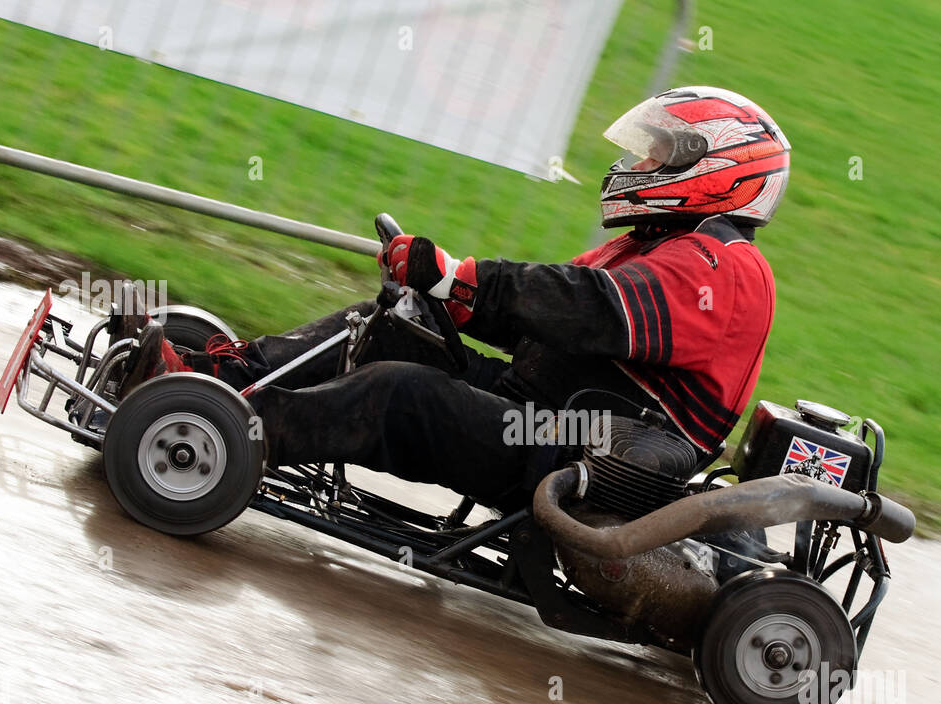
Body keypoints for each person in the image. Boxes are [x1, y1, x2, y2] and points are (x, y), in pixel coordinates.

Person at [116, 85, 790, 510]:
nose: (638, 167)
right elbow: (541, 320)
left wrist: (460, 275)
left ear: (715, 171)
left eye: (660, 156)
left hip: (579, 449)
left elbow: (588, 309)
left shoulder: (725, 268)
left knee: (400, 391)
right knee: (386, 329)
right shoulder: (650, 244)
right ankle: (210, 380)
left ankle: (220, 433)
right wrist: (450, 296)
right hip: (538, 406)